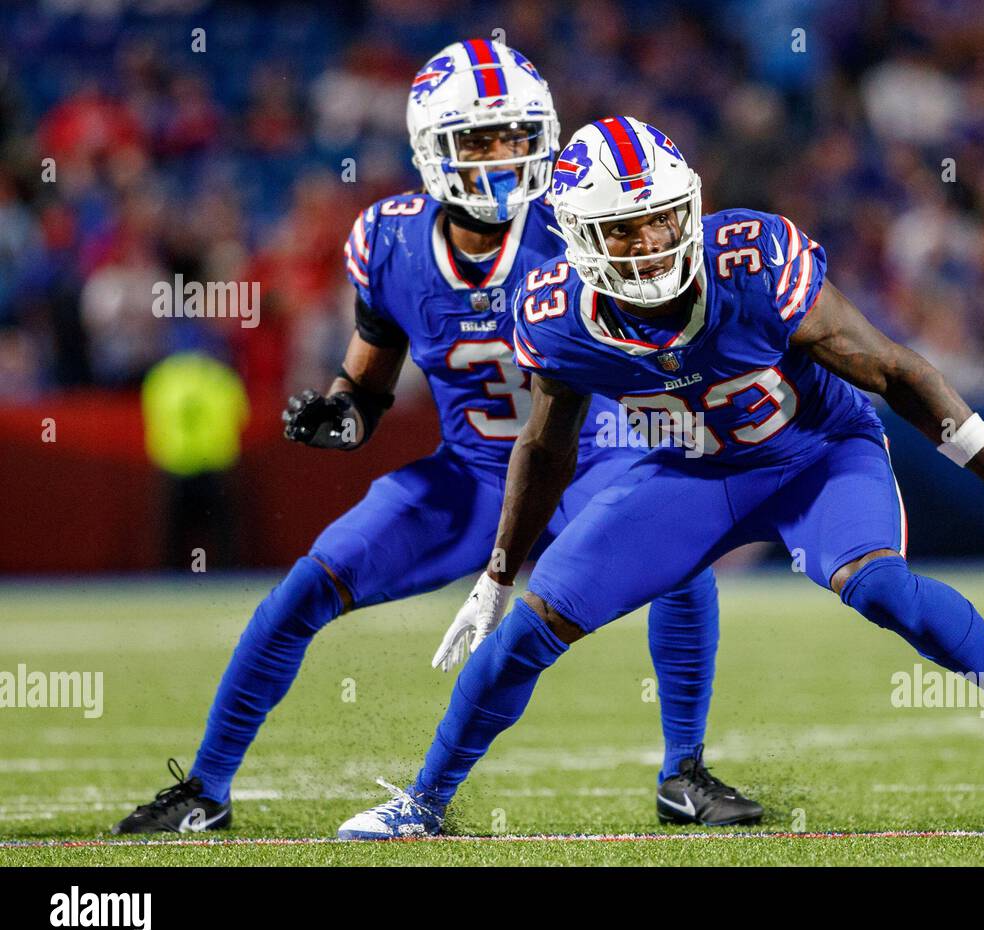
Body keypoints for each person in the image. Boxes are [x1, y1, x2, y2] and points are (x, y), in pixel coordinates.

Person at [339, 116, 984, 839]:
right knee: (525, 633)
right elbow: (544, 448)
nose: (650, 240)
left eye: (662, 216)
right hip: (692, 473)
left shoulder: (753, 261)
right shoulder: (556, 315)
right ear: (578, 238)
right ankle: (424, 803)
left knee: (876, 584)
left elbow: (895, 372)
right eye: (625, 227)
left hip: (815, 454)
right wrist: (498, 574)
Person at [114, 52, 760, 837]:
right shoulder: (389, 243)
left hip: (594, 458)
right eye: (480, 140)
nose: (502, 156)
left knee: (679, 560)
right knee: (303, 590)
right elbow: (369, 374)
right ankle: (204, 791)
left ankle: (682, 773)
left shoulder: (578, 221)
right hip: (474, 475)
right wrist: (344, 413)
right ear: (432, 148)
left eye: (516, 135)